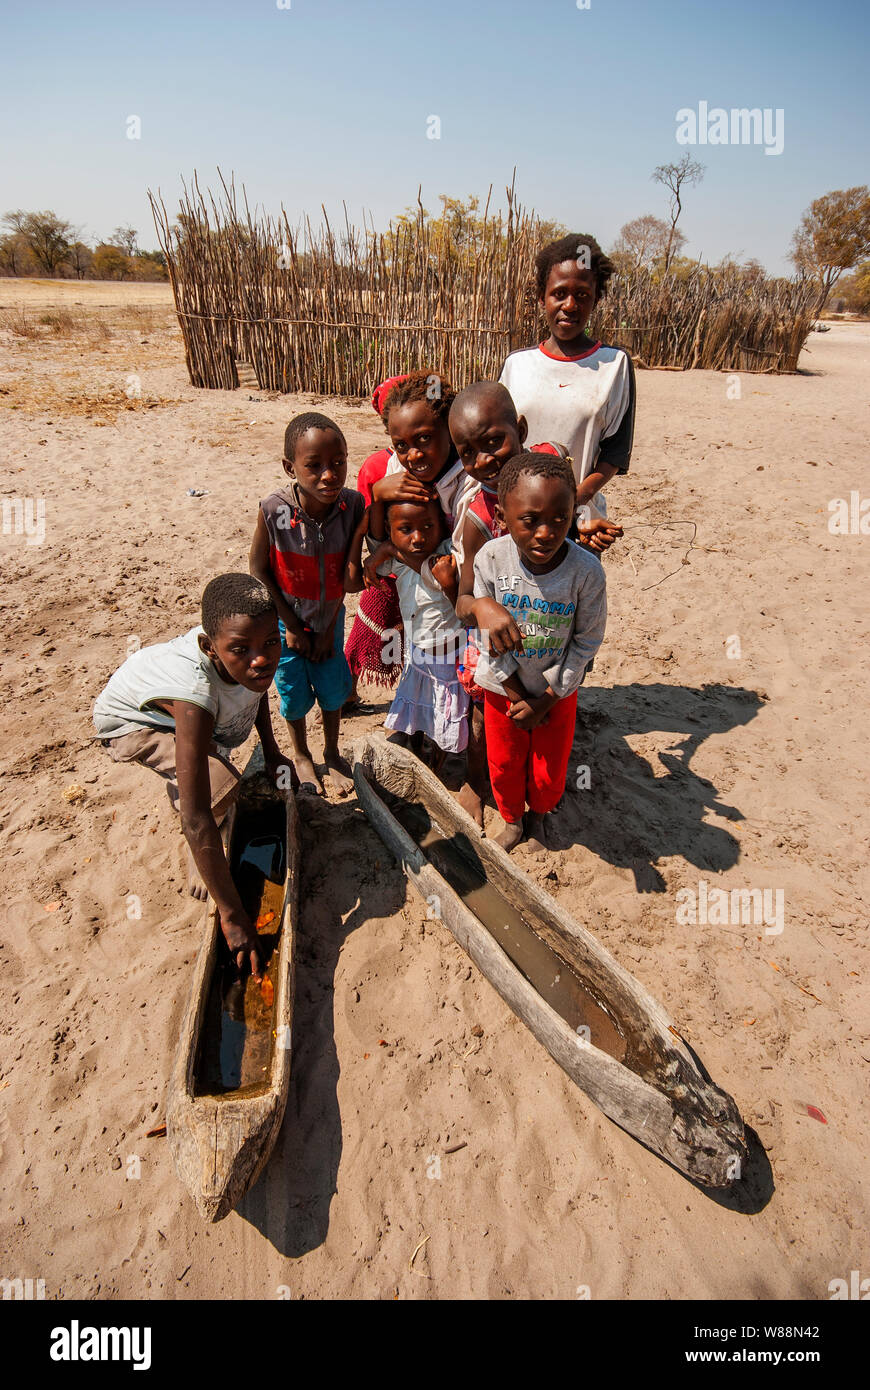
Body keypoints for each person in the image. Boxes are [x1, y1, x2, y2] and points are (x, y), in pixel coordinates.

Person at [92, 573, 291, 978]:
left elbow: (256, 693)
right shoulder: (193, 691)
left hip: (190, 715)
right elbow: (197, 813)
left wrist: (271, 751)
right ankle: (196, 853)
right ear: (209, 647)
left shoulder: (245, 655)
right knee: (217, 788)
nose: (261, 659)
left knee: (210, 765)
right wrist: (233, 915)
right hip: (132, 722)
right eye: (242, 649)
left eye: (272, 642)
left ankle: (198, 801)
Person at [447, 380, 622, 828]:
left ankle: (541, 799)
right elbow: (465, 602)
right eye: (469, 453)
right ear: (505, 518)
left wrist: (581, 526)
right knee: (499, 742)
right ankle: (498, 801)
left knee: (549, 753)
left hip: (554, 655)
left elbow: (586, 630)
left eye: (494, 442)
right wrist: (483, 609)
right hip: (502, 660)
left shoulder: (551, 471)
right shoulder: (479, 523)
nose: (484, 460)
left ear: (519, 428)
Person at [469, 452, 607, 853]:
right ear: (502, 515)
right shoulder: (491, 560)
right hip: (503, 692)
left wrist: (545, 700)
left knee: (549, 770)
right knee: (505, 762)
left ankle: (540, 816)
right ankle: (512, 820)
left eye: (559, 519)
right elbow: (486, 639)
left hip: (556, 695)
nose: (545, 533)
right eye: (530, 521)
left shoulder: (586, 572)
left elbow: (586, 641)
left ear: (574, 512)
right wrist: (516, 696)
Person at [249, 411, 364, 796]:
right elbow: (259, 570)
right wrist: (293, 629)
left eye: (338, 463)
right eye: (314, 467)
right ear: (290, 466)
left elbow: (348, 577)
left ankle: (331, 751)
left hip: (331, 618)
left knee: (333, 690)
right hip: (285, 625)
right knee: (294, 694)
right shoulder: (273, 511)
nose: (329, 475)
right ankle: (300, 754)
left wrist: (329, 628)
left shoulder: (352, 507)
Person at [499, 233, 636, 520]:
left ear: (596, 299)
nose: (570, 305)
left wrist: (572, 500)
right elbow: (497, 440)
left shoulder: (614, 365)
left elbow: (615, 454)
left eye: (582, 295)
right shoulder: (517, 364)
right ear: (541, 297)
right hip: (520, 516)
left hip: (578, 518)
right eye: (559, 293)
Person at [346, 496, 469, 768]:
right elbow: (352, 580)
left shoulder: (448, 555)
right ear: (392, 532)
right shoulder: (398, 561)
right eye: (406, 530)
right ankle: (416, 755)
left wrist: (391, 549)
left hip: (450, 658)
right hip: (417, 653)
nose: (418, 538)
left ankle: (436, 765)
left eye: (428, 526)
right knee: (417, 712)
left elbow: (446, 586)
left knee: (442, 718)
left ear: (443, 526)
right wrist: (359, 536)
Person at [343, 374, 409, 707]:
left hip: (392, 567)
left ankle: (349, 693)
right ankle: (347, 692)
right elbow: (370, 523)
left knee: (372, 632)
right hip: (390, 569)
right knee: (370, 632)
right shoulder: (376, 467)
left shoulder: (374, 465)